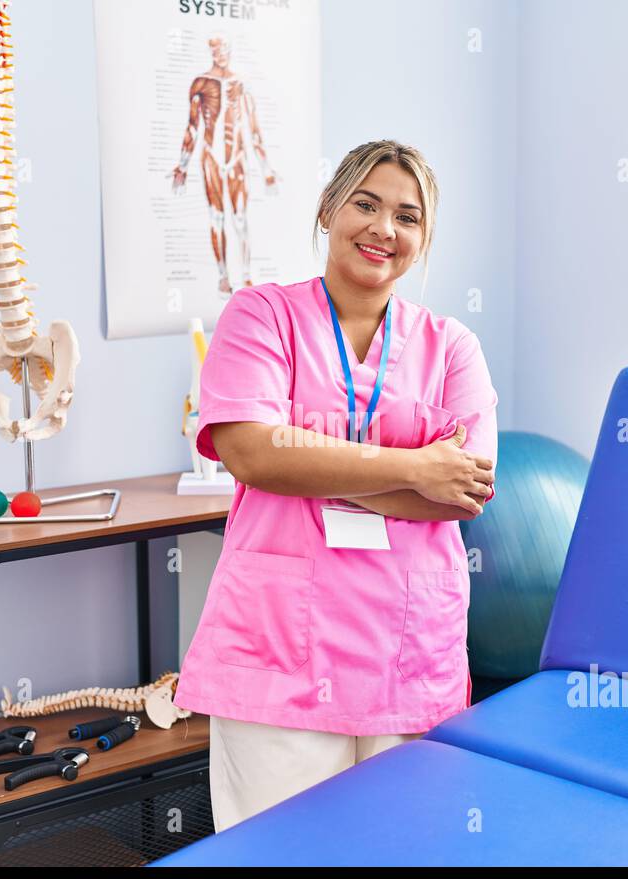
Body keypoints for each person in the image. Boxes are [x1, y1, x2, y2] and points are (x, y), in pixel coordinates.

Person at [172, 140, 499, 833]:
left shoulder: (453, 347)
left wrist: (313, 468)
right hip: (279, 656)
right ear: (329, 210)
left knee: (404, 847)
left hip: (409, 655)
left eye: (407, 217)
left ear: (423, 239)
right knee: (278, 851)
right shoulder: (261, 317)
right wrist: (414, 467)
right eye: (367, 204)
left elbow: (466, 488)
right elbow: (253, 453)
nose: (385, 228)